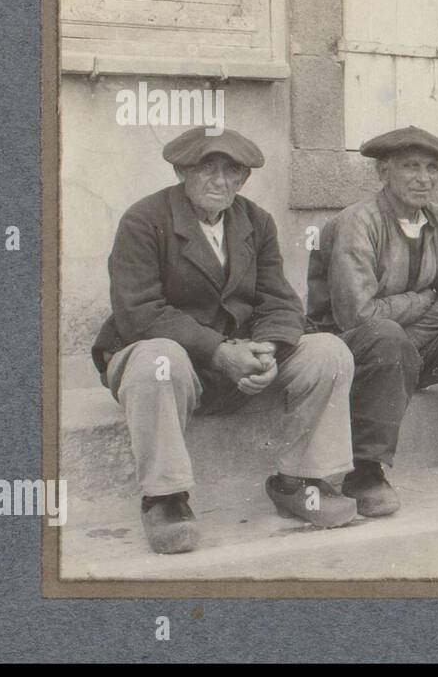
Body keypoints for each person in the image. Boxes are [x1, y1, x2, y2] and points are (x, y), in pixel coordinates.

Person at [92, 126, 358, 555]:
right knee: (159, 358)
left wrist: (268, 349)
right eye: (207, 169)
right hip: (176, 358)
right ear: (182, 171)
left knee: (329, 351)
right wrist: (219, 352)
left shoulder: (256, 221)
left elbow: (278, 299)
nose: (220, 181)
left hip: (237, 354)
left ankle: (301, 481)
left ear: (243, 179)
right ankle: (165, 498)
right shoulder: (144, 220)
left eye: (232, 171)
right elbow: (139, 312)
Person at [307, 126, 438, 512]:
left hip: (407, 348)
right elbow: (358, 314)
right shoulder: (358, 221)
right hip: (351, 350)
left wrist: (412, 342)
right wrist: (421, 298)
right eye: (411, 167)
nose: (424, 178)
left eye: (433, 168)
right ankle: (365, 470)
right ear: (383, 172)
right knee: (386, 334)